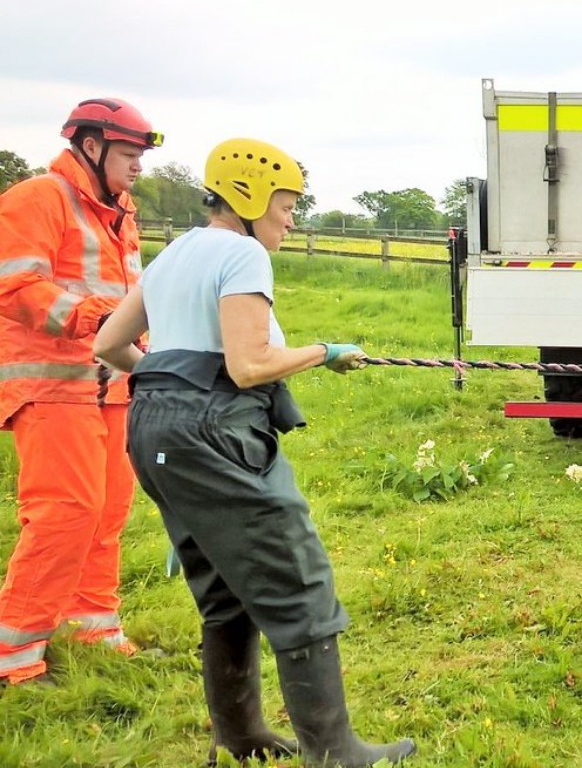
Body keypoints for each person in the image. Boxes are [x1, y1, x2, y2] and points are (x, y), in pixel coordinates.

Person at [93, 138, 415, 767]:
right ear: (249, 197)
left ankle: (239, 737)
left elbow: (111, 342)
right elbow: (248, 366)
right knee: (296, 578)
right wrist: (326, 352)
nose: (292, 218)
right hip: (217, 433)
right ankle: (335, 750)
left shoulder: (176, 251)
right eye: (287, 205)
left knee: (224, 589)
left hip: (154, 426)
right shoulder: (242, 254)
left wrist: (168, 383)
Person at [0, 98, 164, 686]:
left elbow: (132, 299)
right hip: (51, 383)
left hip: (111, 385)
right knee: (64, 513)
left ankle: (92, 626)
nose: (139, 167)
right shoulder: (37, 198)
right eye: (129, 154)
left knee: (108, 512)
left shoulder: (121, 213)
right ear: (91, 146)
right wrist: (102, 321)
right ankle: (13, 657)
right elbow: (16, 286)